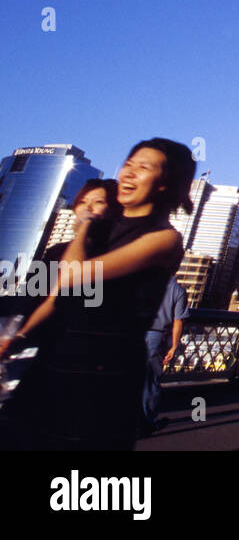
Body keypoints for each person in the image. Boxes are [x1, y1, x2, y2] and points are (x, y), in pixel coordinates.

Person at [0, 142, 191, 451]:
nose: (129, 172)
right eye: (129, 163)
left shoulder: (164, 238)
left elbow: (74, 276)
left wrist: (84, 225)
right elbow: (55, 299)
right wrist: (17, 338)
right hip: (52, 363)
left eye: (144, 167)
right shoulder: (100, 233)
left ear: (165, 184)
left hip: (102, 375)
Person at [142, 276, 191, 434]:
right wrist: (174, 346)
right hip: (157, 337)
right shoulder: (178, 291)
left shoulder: (146, 283)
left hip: (136, 333)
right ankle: (147, 422)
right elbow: (178, 321)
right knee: (151, 382)